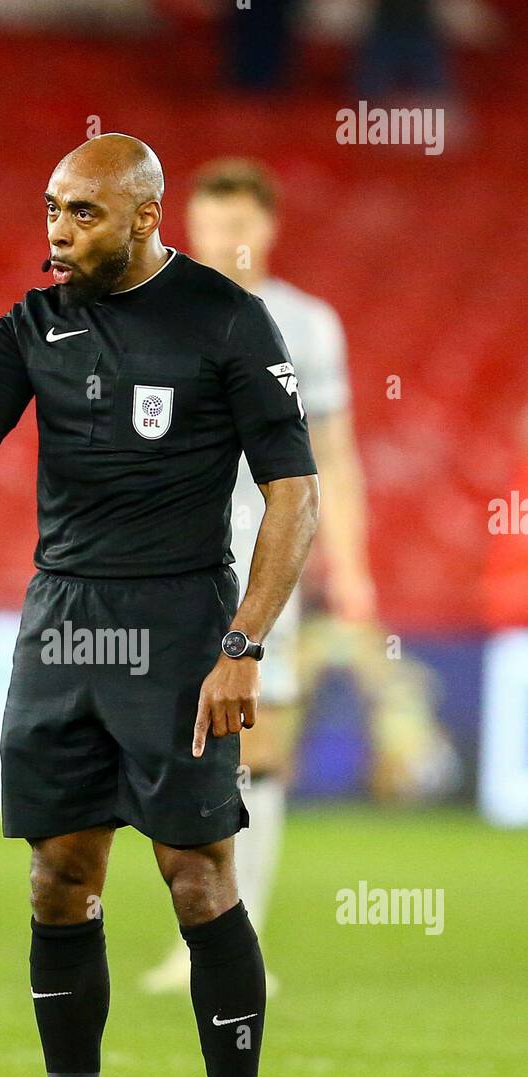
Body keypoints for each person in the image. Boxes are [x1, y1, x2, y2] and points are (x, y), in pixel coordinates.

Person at [0, 134, 319, 1077]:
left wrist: (242, 643)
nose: (56, 230)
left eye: (81, 213)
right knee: (58, 876)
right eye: (49, 208)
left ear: (143, 216)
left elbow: (292, 493)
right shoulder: (32, 322)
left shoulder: (224, 319)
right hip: (61, 627)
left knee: (196, 877)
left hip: (180, 622)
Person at [143, 158, 375, 994]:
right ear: (188, 226)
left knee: (257, 753)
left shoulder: (309, 324)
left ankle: (240, 943)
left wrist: (351, 567)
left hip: (267, 560)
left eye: (240, 225)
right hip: (169, 563)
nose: (225, 240)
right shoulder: (155, 308)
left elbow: (335, 458)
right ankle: (195, 935)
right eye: (211, 225)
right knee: (175, 751)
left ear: (268, 228)